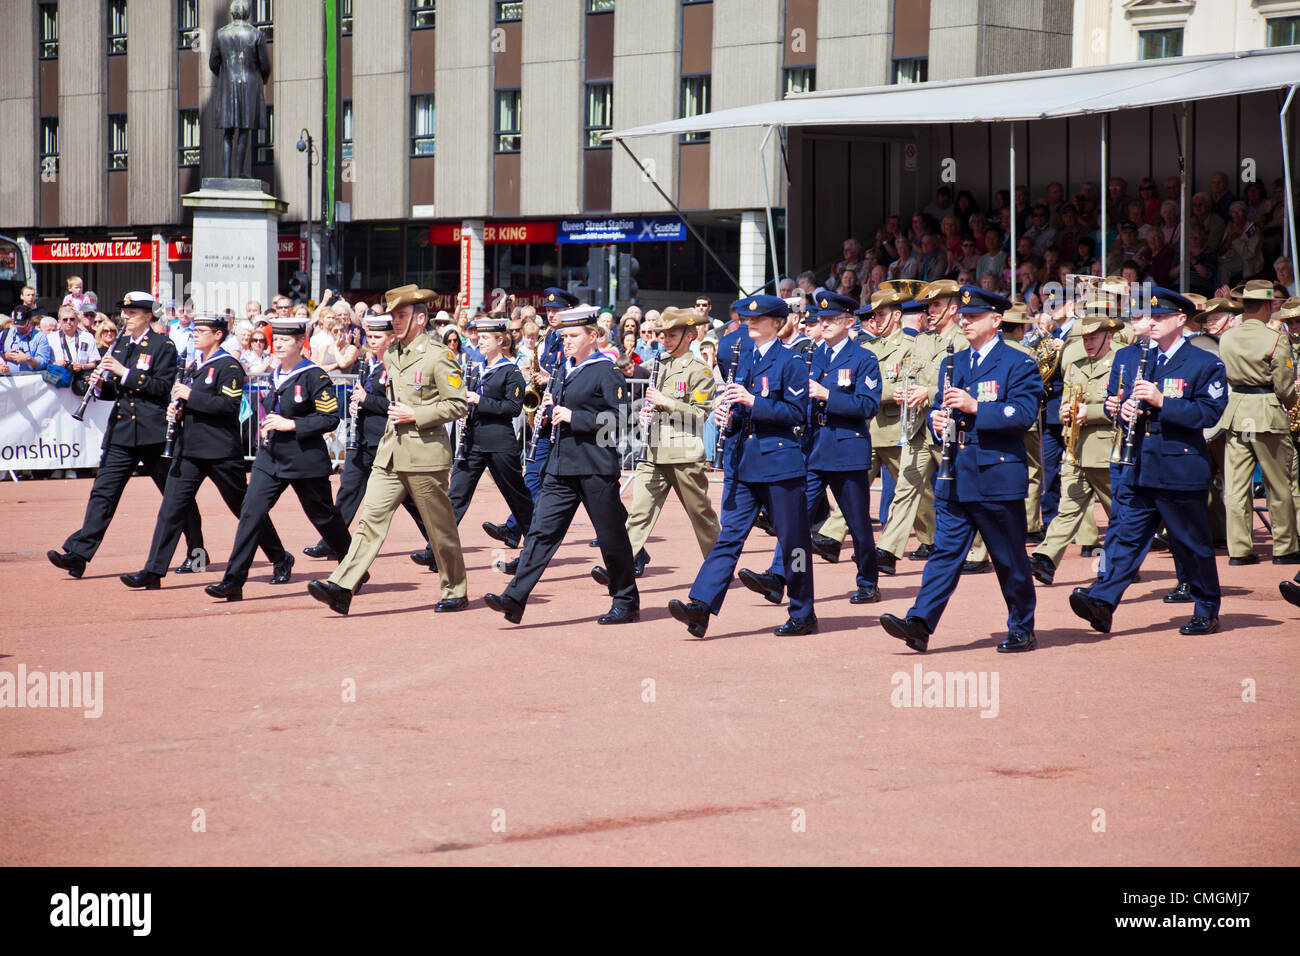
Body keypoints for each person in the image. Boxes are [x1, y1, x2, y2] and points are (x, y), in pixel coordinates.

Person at [880, 286, 1042, 653]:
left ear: (996, 321)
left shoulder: (1018, 362)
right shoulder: (957, 360)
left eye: (973, 317)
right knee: (944, 554)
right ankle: (920, 622)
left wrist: (974, 408)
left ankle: (1022, 626)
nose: (965, 322)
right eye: (963, 317)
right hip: (956, 473)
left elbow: (1024, 415)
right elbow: (945, 408)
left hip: (996, 475)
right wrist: (939, 420)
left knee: (1009, 558)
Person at [1070, 287, 1230, 636]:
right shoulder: (1131, 357)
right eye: (1149, 317)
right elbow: (1117, 398)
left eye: (1160, 318)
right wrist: (1120, 409)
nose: (1152, 323)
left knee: (1191, 543)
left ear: (1181, 321)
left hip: (1179, 467)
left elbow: (1209, 412)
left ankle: (1206, 608)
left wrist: (1161, 401)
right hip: (1138, 463)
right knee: (1126, 536)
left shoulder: (1204, 362)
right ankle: (1104, 600)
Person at [308, 286, 469, 615]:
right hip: (390, 453)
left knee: (440, 529)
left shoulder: (440, 356)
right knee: (370, 521)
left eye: (401, 316)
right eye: (393, 316)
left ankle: (455, 589)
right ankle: (342, 586)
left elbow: (458, 403)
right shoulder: (393, 355)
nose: (395, 322)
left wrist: (418, 415)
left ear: (420, 319)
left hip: (425, 457)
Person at [668, 295, 816, 639]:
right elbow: (741, 413)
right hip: (746, 462)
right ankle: (700, 606)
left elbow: (796, 414)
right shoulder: (746, 359)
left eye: (758, 318)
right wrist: (729, 415)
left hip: (780, 463)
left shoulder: (790, 361)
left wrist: (754, 402)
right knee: (729, 537)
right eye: (747, 318)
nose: (749, 322)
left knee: (794, 542)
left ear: (776, 324)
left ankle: (803, 611)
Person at [484, 304, 638, 625]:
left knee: (610, 536)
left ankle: (626, 599)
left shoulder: (606, 371)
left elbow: (622, 418)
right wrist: (552, 405)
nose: (565, 341)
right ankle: (515, 598)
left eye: (572, 335)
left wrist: (574, 416)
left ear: (592, 336)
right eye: (564, 335)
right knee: (541, 533)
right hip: (560, 466)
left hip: (595, 466)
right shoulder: (566, 370)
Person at [120, 315, 289, 590]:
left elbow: (227, 406)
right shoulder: (194, 366)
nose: (195, 335)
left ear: (218, 335)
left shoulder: (228, 366)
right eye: (194, 331)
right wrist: (177, 409)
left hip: (220, 451)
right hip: (189, 450)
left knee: (244, 510)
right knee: (171, 509)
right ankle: (153, 570)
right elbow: (194, 403)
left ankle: (280, 557)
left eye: (201, 331)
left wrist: (189, 396)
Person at [741, 291, 883, 607]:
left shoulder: (864, 358)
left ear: (849, 322)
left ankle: (867, 581)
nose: (825, 324)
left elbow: (868, 405)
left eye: (833, 319)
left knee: (858, 524)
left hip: (847, 451)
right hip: (814, 450)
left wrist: (827, 395)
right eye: (822, 319)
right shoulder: (811, 356)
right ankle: (780, 576)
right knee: (795, 524)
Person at [48, 293, 203, 579]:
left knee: (176, 496)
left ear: (147, 315)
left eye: (132, 312)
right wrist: (96, 386)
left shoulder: (163, 346)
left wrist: (123, 372)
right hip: (122, 432)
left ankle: (197, 552)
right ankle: (80, 554)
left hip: (153, 432)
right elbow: (115, 390)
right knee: (103, 493)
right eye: (124, 312)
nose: (125, 317)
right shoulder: (118, 346)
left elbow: (159, 386)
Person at [203, 315, 354, 602]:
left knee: (322, 516)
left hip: (304, 460)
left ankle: (352, 565)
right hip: (270, 458)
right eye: (277, 339)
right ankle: (233, 581)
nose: (279, 344)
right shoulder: (274, 372)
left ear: (300, 343)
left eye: (286, 340)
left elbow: (330, 418)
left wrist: (293, 425)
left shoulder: (314, 375)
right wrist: (266, 427)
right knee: (251, 512)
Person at [592, 307, 719, 586]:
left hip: (683, 454)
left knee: (701, 515)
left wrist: (666, 402)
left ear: (690, 335)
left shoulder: (700, 371)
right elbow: (654, 403)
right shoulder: (660, 364)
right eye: (663, 336)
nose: (666, 340)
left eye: (672, 335)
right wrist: (645, 413)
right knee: (639, 513)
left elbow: (699, 414)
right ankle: (618, 566)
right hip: (652, 450)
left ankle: (719, 565)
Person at [303, 313, 430, 561]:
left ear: (392, 338)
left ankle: (439, 544)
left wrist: (366, 400)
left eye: (378, 337)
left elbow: (399, 404)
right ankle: (332, 540)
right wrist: (356, 405)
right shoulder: (369, 364)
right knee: (348, 490)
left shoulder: (397, 365)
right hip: (361, 439)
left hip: (387, 440)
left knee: (411, 500)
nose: (372, 341)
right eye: (370, 336)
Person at [1029, 309, 1123, 584]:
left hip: (1107, 451)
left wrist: (1089, 412)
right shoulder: (1076, 365)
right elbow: (1062, 408)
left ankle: (1122, 563)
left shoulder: (1120, 363)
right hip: (1077, 450)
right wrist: (1068, 413)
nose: (1088, 342)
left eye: (1094, 336)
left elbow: (1124, 407)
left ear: (1108, 335)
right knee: (1067, 509)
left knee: (1118, 514)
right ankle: (1045, 559)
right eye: (1084, 337)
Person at [481, 287, 577, 554]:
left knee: (592, 493)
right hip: (548, 420)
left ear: (568, 311)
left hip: (571, 423)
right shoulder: (549, 338)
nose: (551, 314)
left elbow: (579, 376)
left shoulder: (574, 339)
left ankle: (631, 544)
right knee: (533, 475)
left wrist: (551, 378)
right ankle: (515, 528)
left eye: (556, 310)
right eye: (549, 310)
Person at [1218, 280, 1299, 565]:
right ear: (1265, 305)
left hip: (1238, 412)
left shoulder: (1227, 337)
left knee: (1237, 487)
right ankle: (1284, 547)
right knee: (1278, 483)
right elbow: (1284, 384)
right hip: (1266, 412)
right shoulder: (1275, 338)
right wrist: (1290, 405)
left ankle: (1239, 550)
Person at [447, 316, 535, 539]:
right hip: (472, 442)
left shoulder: (511, 372)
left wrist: (479, 401)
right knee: (455, 496)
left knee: (517, 496)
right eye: (479, 336)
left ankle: (535, 545)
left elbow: (513, 408)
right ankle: (436, 551)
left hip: (499, 442)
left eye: (486, 337)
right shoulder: (476, 370)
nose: (480, 340)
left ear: (500, 341)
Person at [1, 307, 54, 375]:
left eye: (22, 325)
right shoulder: (5, 333)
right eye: (17, 324)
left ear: (30, 321)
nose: (19, 328)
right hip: (8, 380)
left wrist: (27, 359)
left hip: (30, 381)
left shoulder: (40, 337)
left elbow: (43, 362)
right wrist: (5, 356)